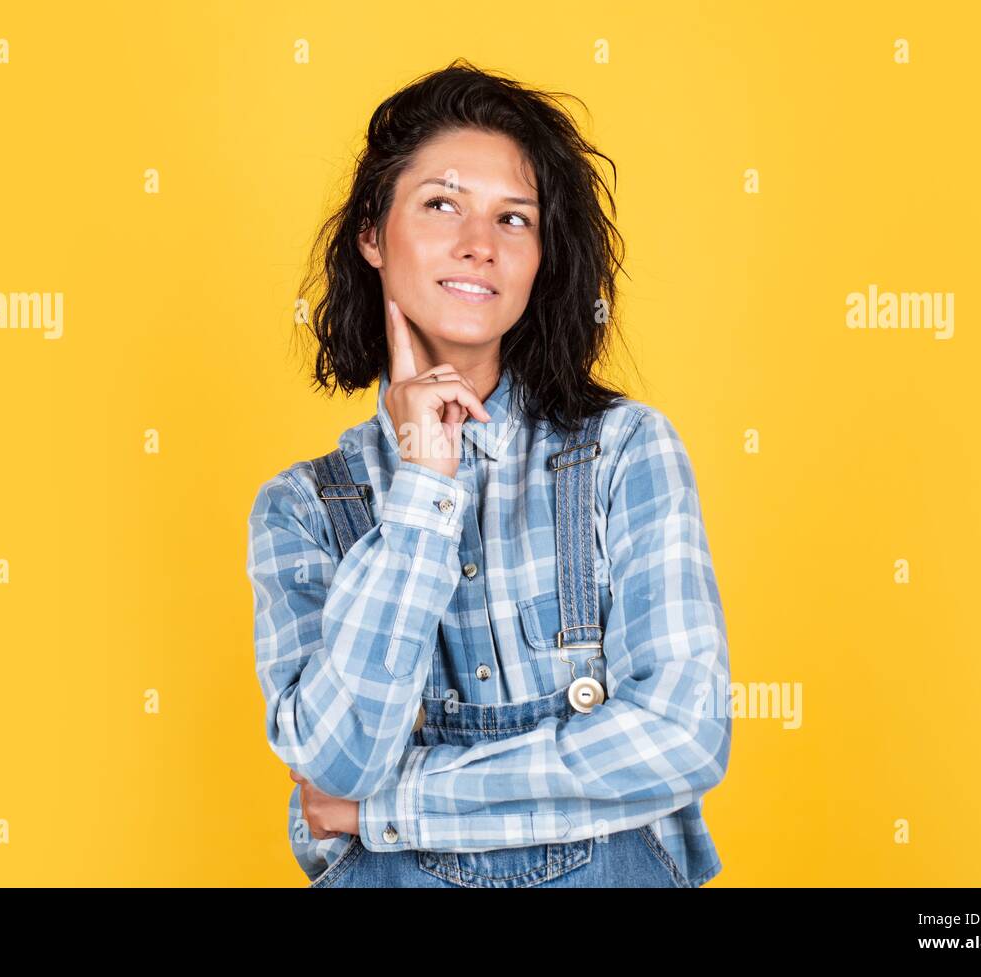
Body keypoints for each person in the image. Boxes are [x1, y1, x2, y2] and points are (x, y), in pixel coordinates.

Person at [246, 59, 731, 887]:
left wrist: (389, 811)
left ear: (542, 258)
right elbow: (335, 755)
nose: (480, 244)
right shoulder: (299, 510)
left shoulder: (625, 452)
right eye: (441, 203)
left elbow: (681, 737)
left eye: (515, 218)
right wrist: (425, 491)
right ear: (372, 233)